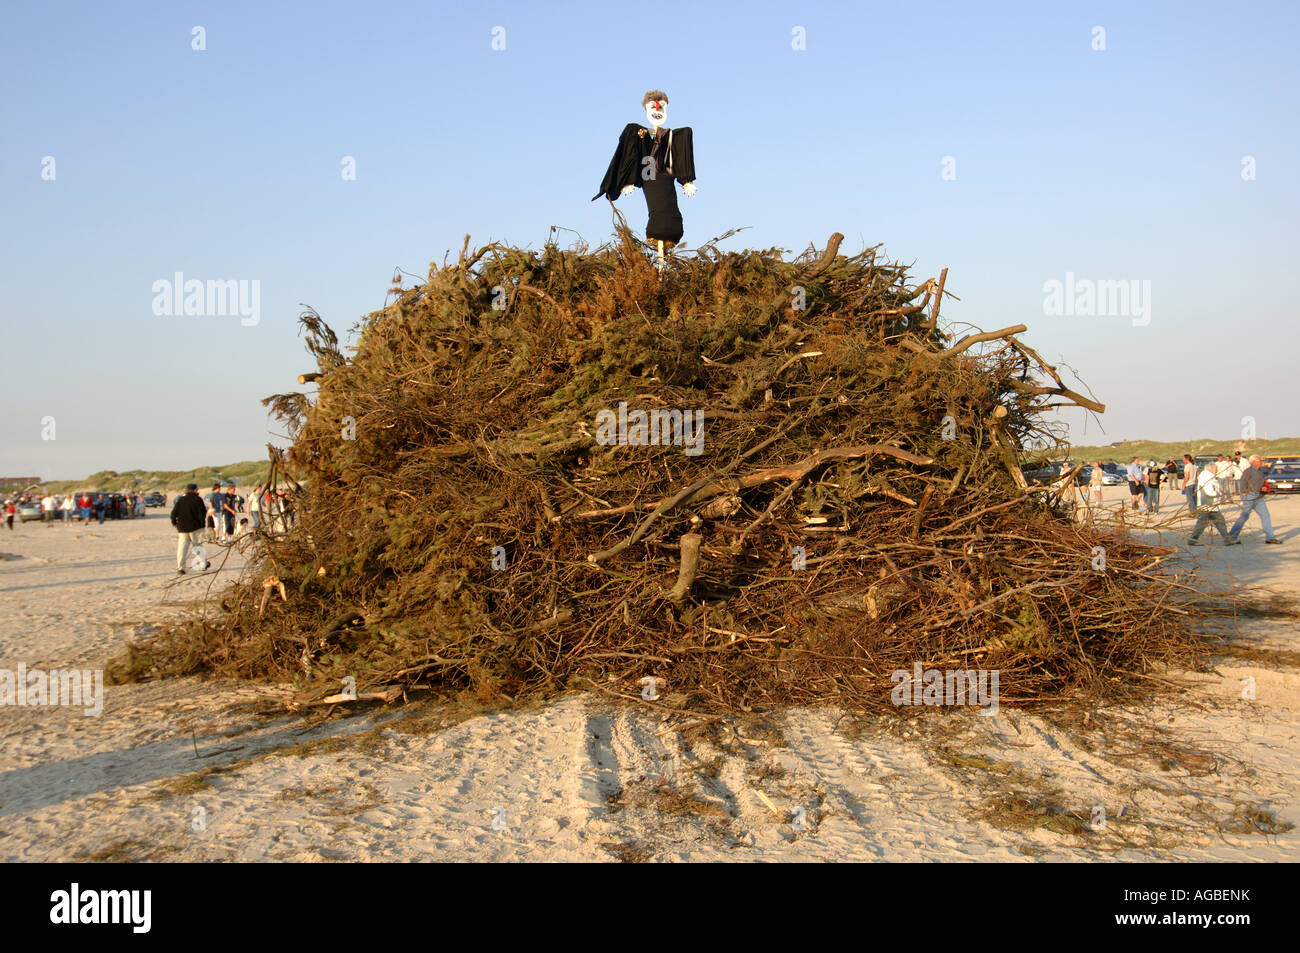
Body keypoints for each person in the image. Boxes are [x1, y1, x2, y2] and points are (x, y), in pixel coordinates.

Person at [1227, 455, 1282, 544]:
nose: (1261, 462)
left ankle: (1270, 537)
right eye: (1259, 460)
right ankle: (1231, 537)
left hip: (1258, 496)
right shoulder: (1248, 471)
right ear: (1254, 461)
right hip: (1250, 496)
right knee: (1244, 516)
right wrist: (1245, 494)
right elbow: (1243, 482)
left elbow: (1262, 484)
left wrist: (1263, 488)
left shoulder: (1260, 472)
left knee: (1265, 515)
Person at [1189, 463, 1239, 546]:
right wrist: (1219, 493)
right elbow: (1209, 491)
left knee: (1219, 521)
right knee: (1204, 523)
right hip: (1208, 504)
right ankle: (1192, 539)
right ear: (1211, 469)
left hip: (1210, 505)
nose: (1217, 470)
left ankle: (1227, 540)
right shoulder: (1206, 478)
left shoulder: (1206, 477)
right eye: (1216, 469)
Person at [171, 483, 210, 574]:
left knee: (182, 548)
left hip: (182, 528)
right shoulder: (198, 500)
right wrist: (202, 525)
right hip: (195, 527)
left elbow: (174, 513)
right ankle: (203, 564)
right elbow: (202, 514)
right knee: (197, 546)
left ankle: (181, 568)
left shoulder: (181, 500)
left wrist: (174, 522)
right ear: (195, 490)